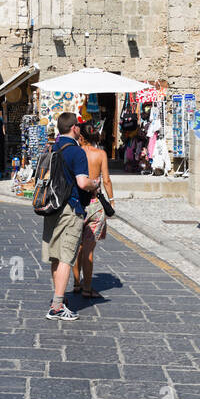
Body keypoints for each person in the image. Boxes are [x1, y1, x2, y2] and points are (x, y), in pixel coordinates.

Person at [42, 112, 101, 322]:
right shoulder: (77, 152)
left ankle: (57, 298)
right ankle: (57, 306)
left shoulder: (52, 147)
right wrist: (96, 183)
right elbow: (83, 183)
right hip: (70, 208)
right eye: (79, 126)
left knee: (56, 256)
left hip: (52, 207)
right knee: (67, 256)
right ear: (74, 128)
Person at [72, 121, 112, 299]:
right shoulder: (101, 154)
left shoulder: (76, 153)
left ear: (81, 136)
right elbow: (107, 180)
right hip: (95, 204)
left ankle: (76, 283)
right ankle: (88, 288)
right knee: (88, 249)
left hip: (78, 203)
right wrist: (111, 201)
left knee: (76, 247)